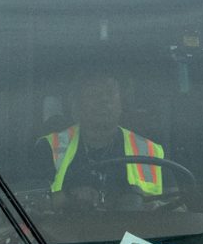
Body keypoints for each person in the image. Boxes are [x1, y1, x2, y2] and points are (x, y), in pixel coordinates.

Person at [44, 71, 166, 199]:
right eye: (94, 93)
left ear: (122, 103)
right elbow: (33, 203)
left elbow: (175, 207)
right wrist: (69, 198)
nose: (104, 100)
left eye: (110, 92)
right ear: (77, 105)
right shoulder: (49, 148)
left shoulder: (150, 152)